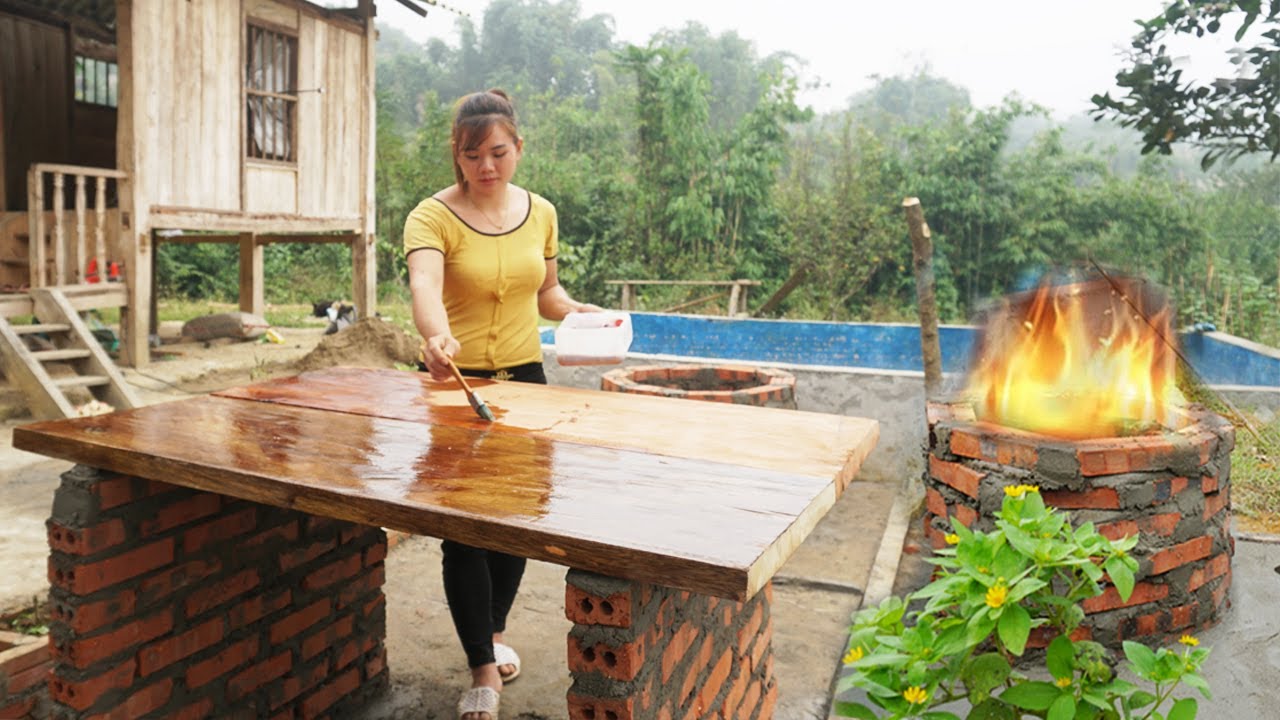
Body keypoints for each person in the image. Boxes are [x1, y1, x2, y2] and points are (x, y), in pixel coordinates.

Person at [402, 88, 601, 720]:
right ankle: (481, 671)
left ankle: (489, 631)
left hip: (524, 382)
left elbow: (546, 292)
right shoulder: (430, 217)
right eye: (472, 155)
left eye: (498, 152)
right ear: (456, 157)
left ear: (518, 148)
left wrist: (576, 311)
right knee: (464, 532)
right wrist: (434, 336)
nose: (486, 167)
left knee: (516, 519)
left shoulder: (540, 211)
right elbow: (424, 285)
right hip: (457, 383)